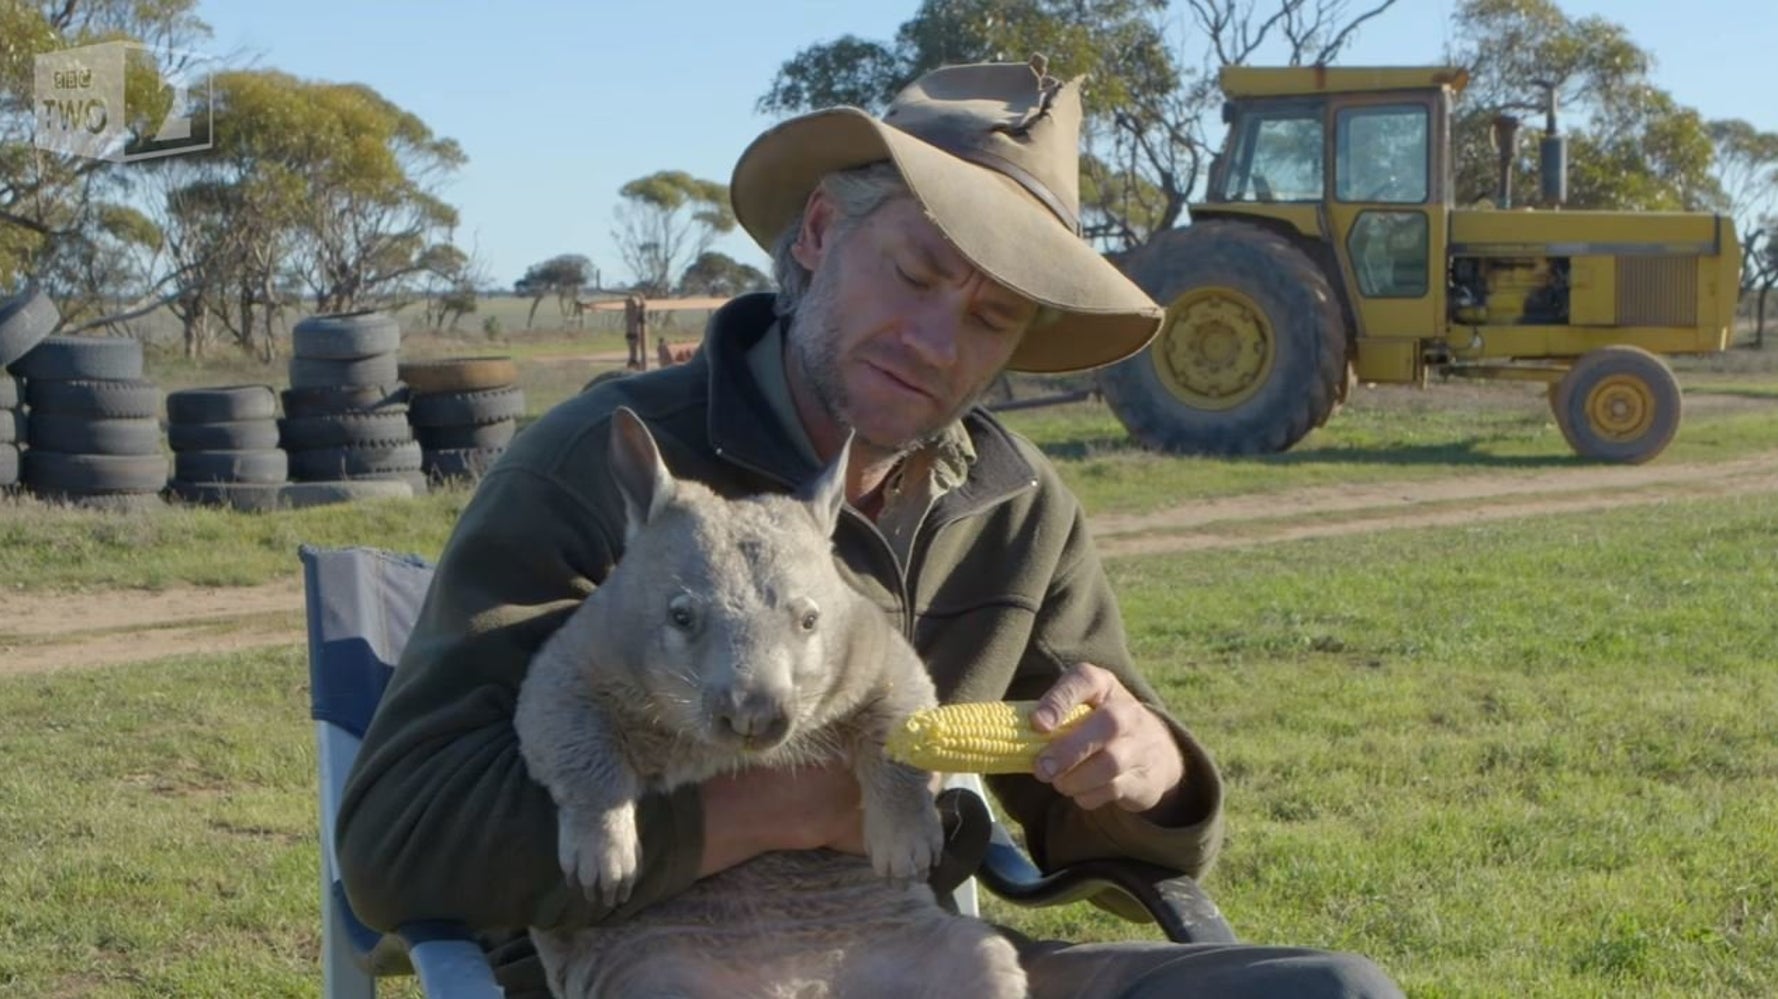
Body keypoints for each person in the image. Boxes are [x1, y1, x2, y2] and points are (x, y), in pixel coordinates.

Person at [336, 56, 1403, 998]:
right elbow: (398, 844)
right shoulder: (597, 477)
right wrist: (769, 812)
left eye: (991, 315)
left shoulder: (1014, 508)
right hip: (649, 962)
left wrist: (1145, 768)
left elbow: (1114, 841)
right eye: (915, 272)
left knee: (1328, 989)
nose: (936, 340)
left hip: (898, 956)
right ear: (816, 234)